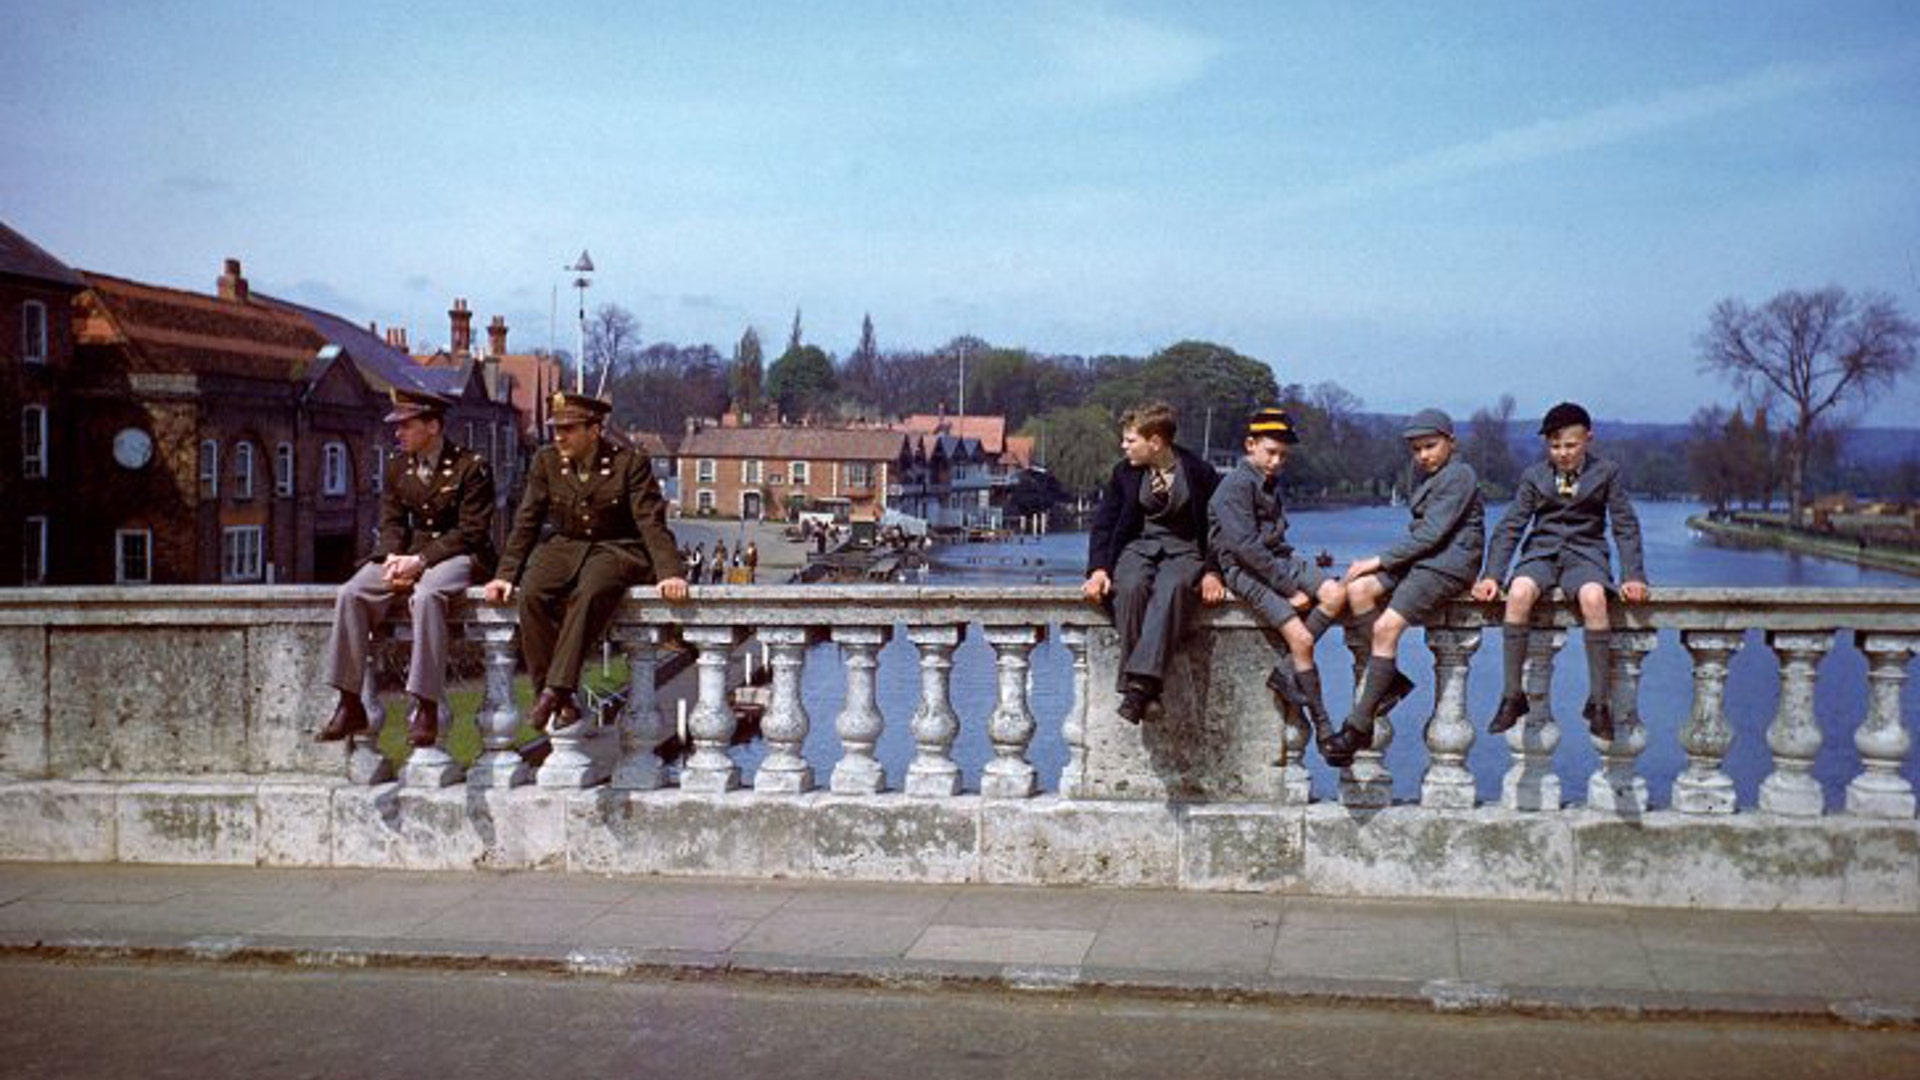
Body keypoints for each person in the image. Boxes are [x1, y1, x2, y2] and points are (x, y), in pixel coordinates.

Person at [482, 393, 690, 731]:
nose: (559, 437)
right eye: (556, 429)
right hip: (565, 547)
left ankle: (553, 692)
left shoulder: (629, 463)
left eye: (569, 429)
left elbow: (650, 521)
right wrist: (506, 574)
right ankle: (555, 695)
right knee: (531, 592)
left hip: (618, 548)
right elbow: (527, 521)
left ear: (595, 430)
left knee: (591, 591)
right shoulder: (546, 462)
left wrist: (670, 572)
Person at [318, 387, 495, 748]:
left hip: (458, 553)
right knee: (351, 593)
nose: (397, 433)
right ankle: (350, 702)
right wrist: (392, 559)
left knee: (429, 595)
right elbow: (392, 522)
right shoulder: (399, 466)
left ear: (432, 426)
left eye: (406, 426)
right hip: (409, 553)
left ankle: (426, 704)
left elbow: (471, 531)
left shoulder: (471, 467)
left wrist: (422, 561)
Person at [1473, 401, 1649, 740]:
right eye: (1555, 446)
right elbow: (1512, 526)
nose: (1563, 453)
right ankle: (1512, 696)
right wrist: (1492, 576)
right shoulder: (1534, 477)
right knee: (1520, 592)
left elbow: (1625, 525)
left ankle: (1599, 703)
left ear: (1588, 440)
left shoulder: (1606, 473)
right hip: (1542, 553)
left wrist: (1634, 576)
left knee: (1595, 598)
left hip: (1585, 556)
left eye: (1570, 445)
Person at [1333, 409, 1485, 760]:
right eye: (1416, 449)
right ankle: (1389, 681)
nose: (1423, 456)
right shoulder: (1429, 476)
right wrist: (1378, 566)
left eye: (1430, 446)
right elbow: (1422, 537)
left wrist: (1377, 560)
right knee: (1359, 591)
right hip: (1424, 558)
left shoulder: (1460, 475)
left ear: (1451, 441)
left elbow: (1433, 534)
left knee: (1386, 627)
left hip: (1448, 563)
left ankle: (1358, 725)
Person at [1208, 407, 1350, 763]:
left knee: (1336, 593)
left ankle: (1287, 671)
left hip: (1278, 560)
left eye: (1283, 456)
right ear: (1250, 445)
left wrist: (1295, 577)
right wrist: (1290, 589)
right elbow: (1246, 549)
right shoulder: (1234, 486)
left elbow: (1273, 546)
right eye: (1271, 452)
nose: (1276, 461)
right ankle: (1324, 729)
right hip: (1244, 570)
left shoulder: (1268, 482)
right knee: (1301, 638)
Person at [1084, 401, 1226, 724]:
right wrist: (1098, 570)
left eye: (1130, 441)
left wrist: (1213, 572)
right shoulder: (1124, 473)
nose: (1124, 447)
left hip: (1186, 551)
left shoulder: (1200, 473)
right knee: (1131, 588)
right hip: (1138, 547)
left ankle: (1137, 688)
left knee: (1173, 588)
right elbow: (1104, 524)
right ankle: (1145, 689)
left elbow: (1220, 528)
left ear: (1156, 441)